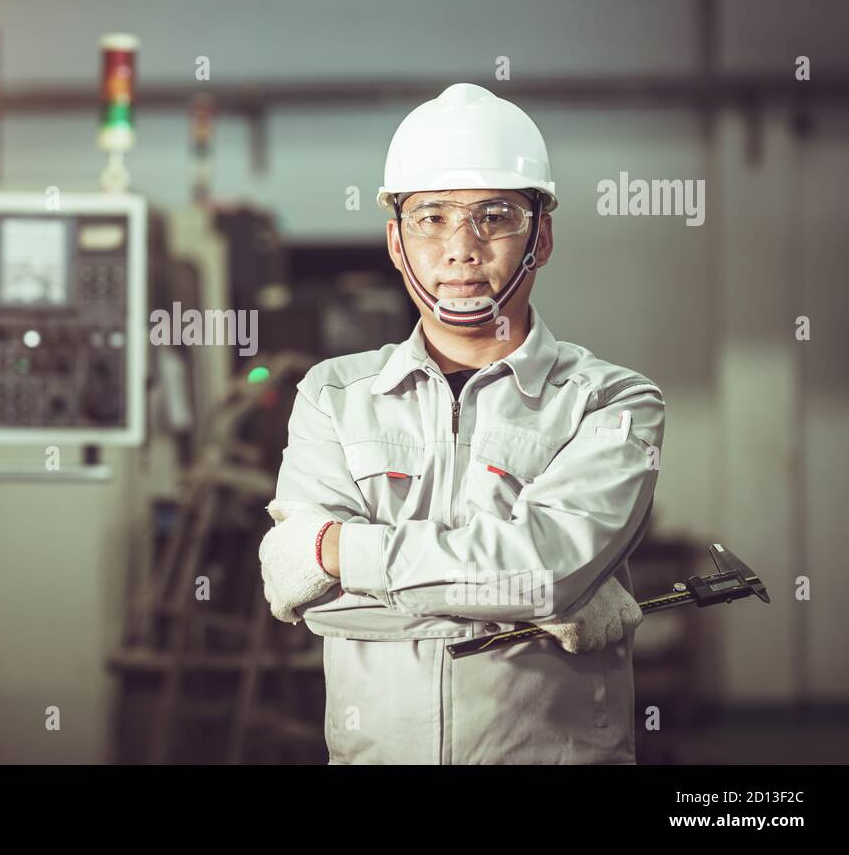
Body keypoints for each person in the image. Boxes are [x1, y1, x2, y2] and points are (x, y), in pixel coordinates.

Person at [258, 83, 663, 764]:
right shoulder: (333, 394)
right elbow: (314, 605)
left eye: (495, 216)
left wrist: (334, 551)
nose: (461, 248)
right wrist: (533, 602)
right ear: (396, 241)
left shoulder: (611, 401)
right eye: (432, 217)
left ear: (542, 236)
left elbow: (544, 574)